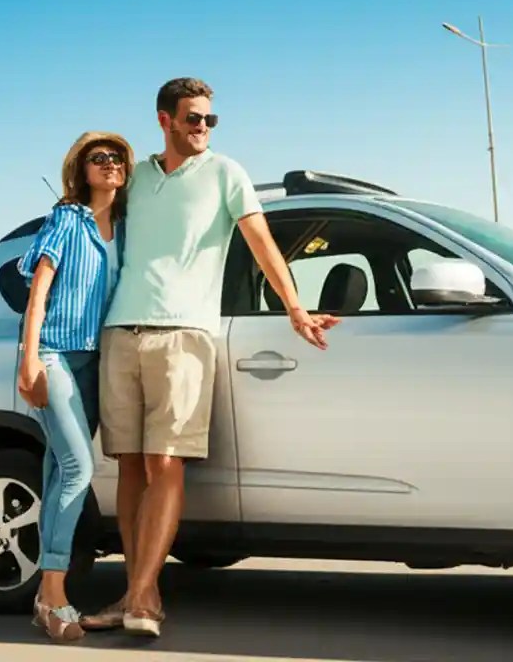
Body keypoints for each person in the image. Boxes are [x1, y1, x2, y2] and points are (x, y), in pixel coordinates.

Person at [78, 78, 338, 637]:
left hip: (185, 334)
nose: (203, 128)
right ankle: (135, 591)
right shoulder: (137, 174)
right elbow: (89, 215)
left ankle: (144, 595)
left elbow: (261, 240)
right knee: (128, 463)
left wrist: (295, 308)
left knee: (164, 462)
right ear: (164, 120)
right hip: (120, 331)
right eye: (193, 118)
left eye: (209, 120)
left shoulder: (226, 174)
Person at [17, 130, 132, 643]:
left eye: (116, 158)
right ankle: (55, 594)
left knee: (55, 469)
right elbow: (38, 292)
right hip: (56, 354)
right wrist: (30, 362)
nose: (109, 165)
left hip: (97, 362)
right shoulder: (67, 219)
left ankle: (45, 593)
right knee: (78, 468)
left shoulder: (127, 229)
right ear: (82, 170)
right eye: (98, 158)